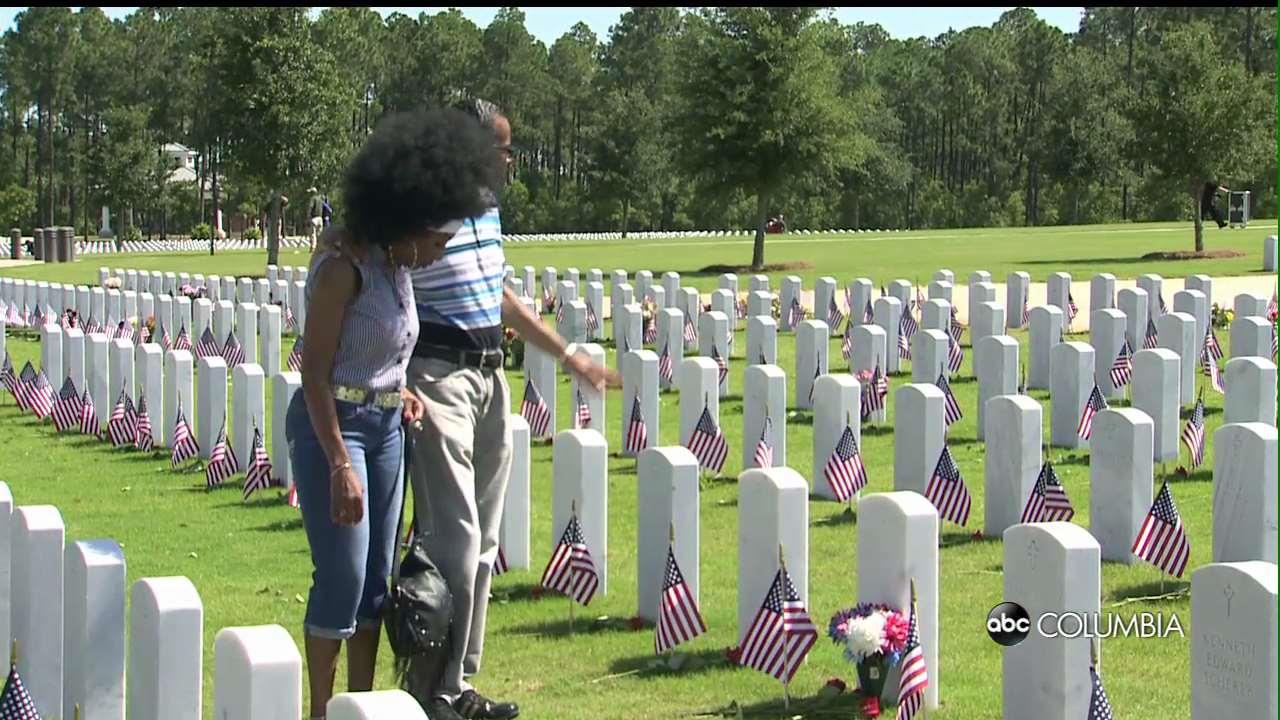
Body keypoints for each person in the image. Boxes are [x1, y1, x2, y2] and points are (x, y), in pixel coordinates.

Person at [404, 97, 619, 720]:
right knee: (454, 536)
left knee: (485, 538)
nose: (509, 160)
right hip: (437, 375)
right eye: (501, 149)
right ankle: (432, 689)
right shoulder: (417, 205)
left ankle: (460, 682)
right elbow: (389, 293)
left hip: (490, 376)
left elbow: (500, 299)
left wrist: (568, 356)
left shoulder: (488, 209)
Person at [285, 107, 501, 720]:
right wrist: (336, 465)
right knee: (344, 575)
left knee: (377, 585)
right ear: (407, 223)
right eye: (436, 243)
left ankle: (362, 703)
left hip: (385, 430)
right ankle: (322, 709)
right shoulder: (342, 270)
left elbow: (387, 352)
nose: (437, 255)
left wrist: (399, 391)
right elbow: (317, 374)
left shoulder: (396, 267)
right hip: (336, 430)